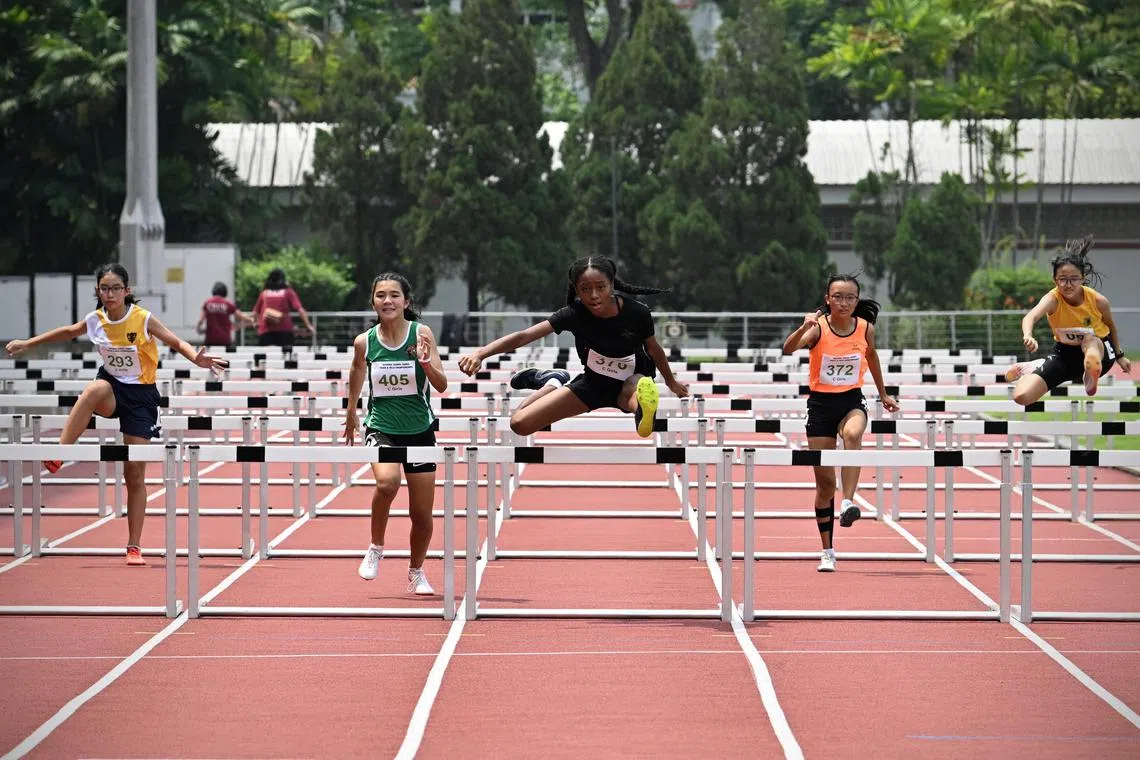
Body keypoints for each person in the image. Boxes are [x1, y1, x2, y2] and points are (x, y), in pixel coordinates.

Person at [5, 264, 228, 565]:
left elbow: (175, 342)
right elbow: (69, 331)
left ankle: (133, 546)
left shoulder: (142, 318)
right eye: (104, 289)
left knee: (133, 473)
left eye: (115, 288)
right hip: (111, 389)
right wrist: (27, 344)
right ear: (98, 291)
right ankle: (59, 451)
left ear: (127, 290)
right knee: (92, 390)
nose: (109, 294)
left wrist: (195, 357)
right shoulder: (95, 320)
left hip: (141, 398)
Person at [457, 256, 689, 438]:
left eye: (601, 287)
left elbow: (654, 349)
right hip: (593, 384)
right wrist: (481, 353)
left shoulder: (636, 312)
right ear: (576, 290)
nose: (594, 295)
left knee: (635, 389)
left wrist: (671, 382)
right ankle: (552, 382)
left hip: (632, 380)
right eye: (585, 289)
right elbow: (524, 336)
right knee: (519, 423)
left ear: (612, 285)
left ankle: (642, 413)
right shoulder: (573, 314)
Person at [782, 274, 900, 573]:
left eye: (850, 297)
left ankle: (848, 502)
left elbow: (871, 358)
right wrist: (804, 326)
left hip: (851, 401)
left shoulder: (865, 328)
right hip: (820, 406)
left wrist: (883, 393)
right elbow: (788, 349)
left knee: (853, 433)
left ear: (857, 301)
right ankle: (827, 551)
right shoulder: (818, 328)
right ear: (827, 299)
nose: (844, 302)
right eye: (838, 296)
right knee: (824, 486)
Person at [343, 273, 447, 595]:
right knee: (387, 483)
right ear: (373, 301)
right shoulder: (365, 341)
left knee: (421, 513)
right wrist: (351, 413)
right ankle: (376, 546)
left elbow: (442, 385)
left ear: (406, 301)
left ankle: (416, 572)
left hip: (420, 430)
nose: (387, 301)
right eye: (380, 296)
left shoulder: (422, 333)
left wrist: (426, 363)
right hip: (381, 427)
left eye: (394, 295)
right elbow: (357, 370)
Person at [1011, 236, 1131, 405]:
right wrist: (1028, 335)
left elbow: (1111, 327)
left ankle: (1091, 373)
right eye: (1062, 279)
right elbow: (1030, 316)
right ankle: (1036, 368)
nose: (1068, 285)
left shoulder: (1098, 301)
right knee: (1021, 397)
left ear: (1082, 278)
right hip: (1064, 355)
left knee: (1090, 339)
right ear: (1055, 280)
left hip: (1100, 352)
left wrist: (1120, 356)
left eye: (1074, 279)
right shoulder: (1052, 299)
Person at [252, 268, 315, 348]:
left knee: (266, 358)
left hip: (265, 332)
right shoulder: (288, 292)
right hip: (285, 331)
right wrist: (308, 325)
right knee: (286, 357)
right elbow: (300, 310)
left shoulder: (264, 293)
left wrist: (255, 324)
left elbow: (255, 312)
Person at [197, 282, 253, 348]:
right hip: (225, 340)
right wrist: (251, 319)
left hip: (210, 340)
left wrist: (199, 329)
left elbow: (201, 320)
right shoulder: (227, 304)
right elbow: (241, 316)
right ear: (225, 292)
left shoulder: (207, 303)